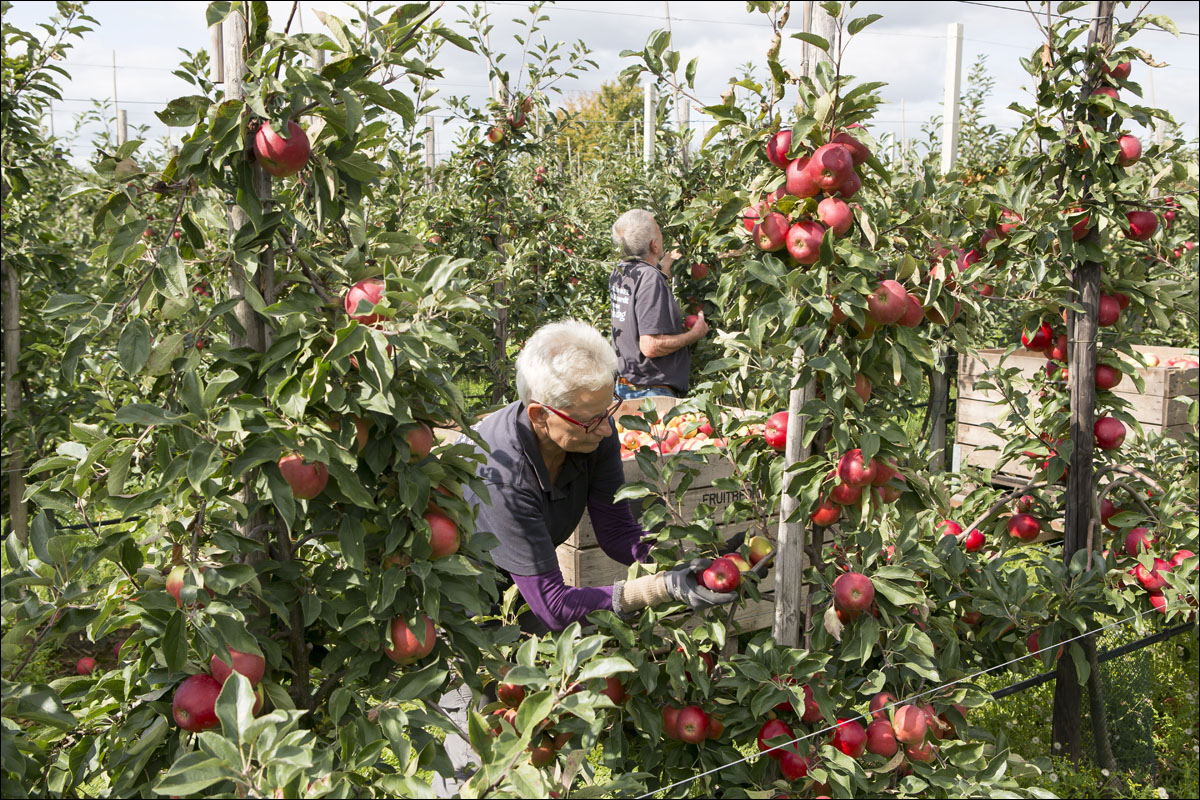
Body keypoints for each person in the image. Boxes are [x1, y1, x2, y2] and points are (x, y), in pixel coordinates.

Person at [459, 319, 737, 634]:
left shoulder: (591, 433)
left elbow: (617, 532)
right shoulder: (503, 478)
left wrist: (694, 560)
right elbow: (554, 607)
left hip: (526, 583)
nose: (606, 429)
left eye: (607, 410)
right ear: (540, 415)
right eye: (591, 420)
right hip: (466, 598)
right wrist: (662, 587)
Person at [609, 209, 708, 400]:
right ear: (654, 245)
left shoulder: (621, 273)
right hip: (650, 393)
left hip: (626, 388)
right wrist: (694, 334)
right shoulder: (650, 279)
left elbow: (650, 279)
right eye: (659, 231)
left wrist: (673, 254)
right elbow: (650, 346)